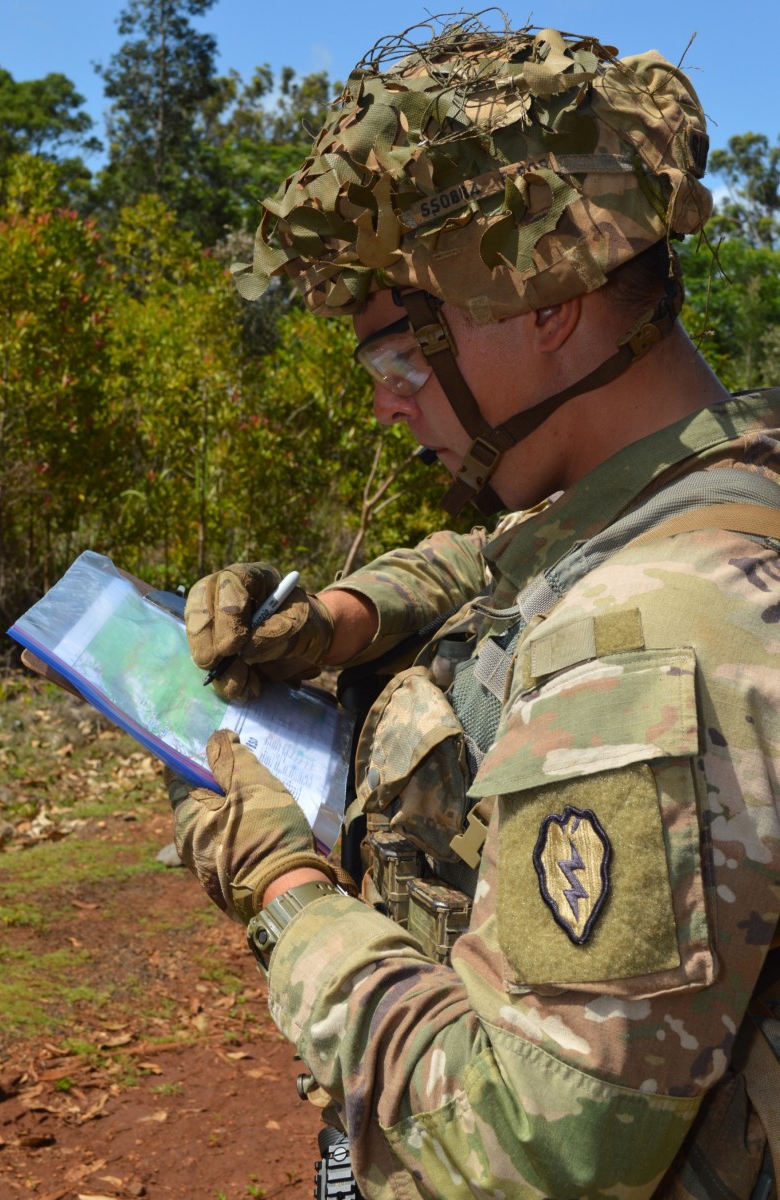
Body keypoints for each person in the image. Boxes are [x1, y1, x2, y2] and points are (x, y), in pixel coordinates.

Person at [167, 16, 780, 1198]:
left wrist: (284, 892)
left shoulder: (651, 638)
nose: (390, 407)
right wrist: (340, 616)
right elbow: (497, 555)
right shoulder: (711, 474)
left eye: (400, 358)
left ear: (540, 298)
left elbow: (533, 1151)